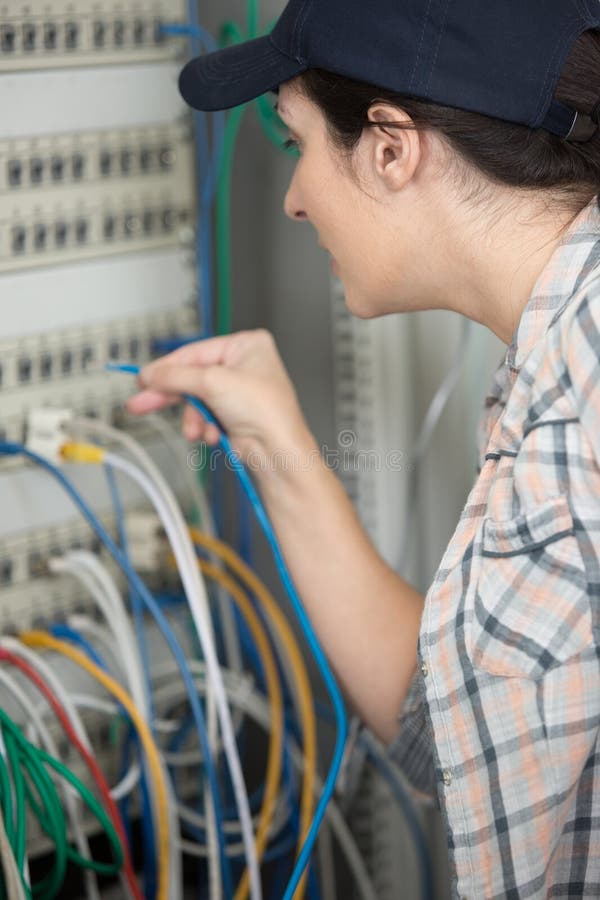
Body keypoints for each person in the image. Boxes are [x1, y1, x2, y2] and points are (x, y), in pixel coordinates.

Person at [127, 1, 600, 896]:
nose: (294, 199)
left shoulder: (582, 397)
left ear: (392, 146)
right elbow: (463, 742)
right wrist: (278, 448)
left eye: (296, 139)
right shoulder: (559, 356)